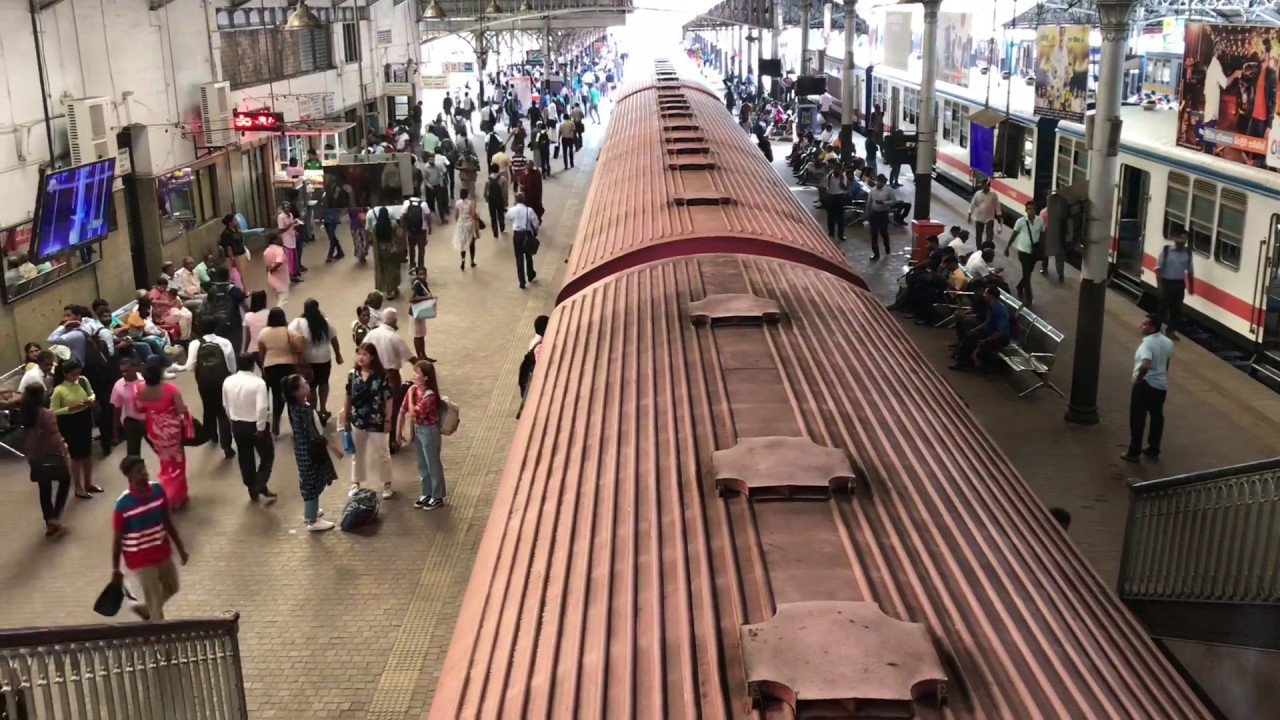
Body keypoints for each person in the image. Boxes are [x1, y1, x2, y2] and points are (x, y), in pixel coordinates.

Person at [111, 455, 189, 622]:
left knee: (172, 586)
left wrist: (180, 548)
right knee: (155, 604)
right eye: (139, 471)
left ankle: (147, 609)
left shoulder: (157, 491)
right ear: (130, 476)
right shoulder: (123, 505)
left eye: (144, 469)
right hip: (141, 559)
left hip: (162, 552)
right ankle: (161, 641)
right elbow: (117, 540)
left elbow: (167, 521)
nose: (144, 473)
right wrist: (115, 569)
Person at [284, 374, 341, 531]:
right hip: (309, 451)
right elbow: (311, 433)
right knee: (311, 483)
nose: (307, 385)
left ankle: (312, 511)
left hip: (305, 450)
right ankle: (312, 519)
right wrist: (329, 444)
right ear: (296, 392)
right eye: (303, 385)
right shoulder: (302, 410)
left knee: (312, 481)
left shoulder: (299, 405)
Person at [133, 360, 191, 509]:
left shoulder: (138, 389)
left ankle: (169, 492)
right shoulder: (171, 389)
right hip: (171, 429)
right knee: (177, 463)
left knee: (164, 461)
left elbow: (139, 409)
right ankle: (175, 496)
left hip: (154, 429)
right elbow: (180, 409)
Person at [177, 316, 236, 458]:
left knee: (208, 408)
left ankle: (212, 436)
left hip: (204, 382)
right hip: (222, 380)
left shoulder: (195, 344)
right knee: (222, 412)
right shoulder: (224, 342)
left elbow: (190, 367)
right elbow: (232, 366)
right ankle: (227, 446)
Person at [342, 343, 395, 500]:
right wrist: (345, 418)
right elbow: (348, 397)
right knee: (357, 453)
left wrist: (388, 419)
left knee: (382, 453)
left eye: (365, 354)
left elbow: (388, 398)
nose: (361, 357)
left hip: (377, 420)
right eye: (359, 354)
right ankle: (356, 482)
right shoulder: (352, 375)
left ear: (372, 357)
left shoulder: (381, 375)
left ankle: (387, 483)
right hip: (357, 420)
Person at [223, 353, 276, 504]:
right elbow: (262, 407)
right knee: (267, 455)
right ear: (252, 365)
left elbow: (225, 404)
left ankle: (252, 486)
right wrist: (260, 426)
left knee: (245, 457)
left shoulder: (228, 381)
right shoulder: (258, 383)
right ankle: (259, 484)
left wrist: (232, 419)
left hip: (238, 424)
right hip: (255, 424)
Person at [21, 384, 71, 537]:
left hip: (35, 455)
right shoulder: (47, 414)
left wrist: (30, 456)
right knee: (65, 480)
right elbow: (55, 436)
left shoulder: (26, 414)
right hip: (51, 453)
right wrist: (64, 453)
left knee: (44, 488)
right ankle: (55, 517)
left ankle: (49, 519)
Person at [1123, 314, 1174, 462]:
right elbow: (1167, 361)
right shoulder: (1168, 342)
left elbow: (1145, 364)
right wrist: (1162, 374)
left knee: (1137, 418)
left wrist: (1139, 379)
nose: (1141, 326)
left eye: (1145, 324)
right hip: (1161, 385)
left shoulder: (1147, 344)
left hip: (1145, 385)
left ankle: (1134, 452)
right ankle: (1153, 448)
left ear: (1152, 327)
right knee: (1157, 416)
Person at [398, 360, 447, 510]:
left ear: (426, 377)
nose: (414, 375)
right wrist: (398, 432)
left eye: (417, 373)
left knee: (433, 463)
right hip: (418, 430)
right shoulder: (413, 390)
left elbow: (414, 412)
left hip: (429, 431)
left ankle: (437, 495)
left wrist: (411, 396)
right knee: (422, 463)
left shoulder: (429, 396)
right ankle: (426, 492)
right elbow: (402, 410)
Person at [49, 359, 101, 499]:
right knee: (76, 455)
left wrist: (91, 399)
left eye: (78, 374)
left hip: (84, 418)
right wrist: (70, 408)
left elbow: (91, 392)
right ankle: (78, 487)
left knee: (87, 453)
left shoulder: (83, 380)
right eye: (73, 375)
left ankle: (89, 482)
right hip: (70, 422)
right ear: (65, 374)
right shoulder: (59, 390)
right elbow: (53, 411)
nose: (76, 377)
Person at [289, 299, 342, 425]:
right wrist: (338, 355)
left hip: (308, 360)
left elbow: (289, 335)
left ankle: (313, 410)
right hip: (324, 359)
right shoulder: (325, 322)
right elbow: (334, 339)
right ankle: (323, 408)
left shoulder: (298, 323)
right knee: (323, 382)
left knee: (311, 386)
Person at [257, 307, 303, 436]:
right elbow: (300, 341)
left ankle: (275, 425)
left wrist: (263, 367)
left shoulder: (264, 333)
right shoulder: (288, 332)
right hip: (288, 366)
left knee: (277, 396)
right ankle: (295, 425)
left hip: (270, 367)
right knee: (290, 396)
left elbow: (261, 352)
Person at [950, 287, 1010, 372]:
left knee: (970, 339)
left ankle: (963, 363)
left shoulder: (1000, 311)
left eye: (985, 293)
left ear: (991, 296)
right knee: (969, 334)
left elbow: (1000, 332)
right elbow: (987, 323)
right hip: (990, 333)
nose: (983, 295)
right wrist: (975, 330)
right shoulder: (991, 306)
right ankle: (963, 359)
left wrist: (985, 340)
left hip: (999, 338)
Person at [1155, 229, 1196, 340]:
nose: (1182, 241)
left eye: (1185, 239)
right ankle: (1155, 329)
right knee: (1162, 308)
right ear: (1174, 238)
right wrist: (1159, 285)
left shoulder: (1187, 253)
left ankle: (1170, 331)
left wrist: (1191, 286)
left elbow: (1190, 270)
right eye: (1180, 238)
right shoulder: (1166, 250)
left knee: (1176, 310)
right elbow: (1158, 268)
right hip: (1166, 282)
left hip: (1179, 284)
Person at [1004, 201, 1044, 305]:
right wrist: (1007, 247)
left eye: (1032, 208)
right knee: (1026, 274)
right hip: (1023, 251)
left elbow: (1043, 233)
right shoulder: (1020, 222)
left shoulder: (1040, 221)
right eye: (1029, 208)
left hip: (1034, 252)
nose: (1031, 211)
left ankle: (1020, 286)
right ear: (1026, 210)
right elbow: (1014, 235)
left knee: (1028, 273)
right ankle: (1029, 299)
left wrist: (1043, 247)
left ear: (1035, 209)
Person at [111, 354, 149, 457]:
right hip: (131, 422)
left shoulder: (146, 379)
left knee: (159, 448)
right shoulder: (118, 385)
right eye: (122, 371)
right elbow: (117, 408)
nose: (124, 374)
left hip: (149, 420)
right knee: (133, 453)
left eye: (126, 371)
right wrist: (115, 431)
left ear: (134, 368)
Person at [206, 267, 247, 354]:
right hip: (234, 324)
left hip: (218, 324)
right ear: (228, 276)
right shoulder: (235, 291)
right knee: (235, 349)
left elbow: (210, 308)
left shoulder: (212, 291)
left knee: (222, 350)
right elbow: (245, 307)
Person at [368, 205, 403, 299]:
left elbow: (372, 240)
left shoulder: (375, 228)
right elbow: (400, 236)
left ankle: (388, 291)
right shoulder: (393, 225)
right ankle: (393, 289)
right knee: (393, 270)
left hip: (381, 252)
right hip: (393, 251)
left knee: (385, 272)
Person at [507, 192, 539, 289]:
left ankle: (522, 281)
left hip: (517, 235)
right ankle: (530, 275)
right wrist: (535, 233)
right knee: (528, 255)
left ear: (516, 200)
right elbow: (536, 223)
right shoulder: (529, 210)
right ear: (524, 199)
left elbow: (508, 218)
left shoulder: (511, 210)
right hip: (527, 234)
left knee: (519, 257)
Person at [408, 267, 438, 362]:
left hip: (421, 312)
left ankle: (423, 355)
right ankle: (419, 357)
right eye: (420, 274)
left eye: (424, 273)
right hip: (415, 313)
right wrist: (425, 298)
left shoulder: (423, 284)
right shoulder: (417, 285)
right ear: (417, 275)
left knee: (422, 335)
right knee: (417, 336)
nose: (423, 276)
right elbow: (411, 299)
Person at [866, 175, 896, 260]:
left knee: (883, 232)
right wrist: (867, 214)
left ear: (884, 182)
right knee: (874, 235)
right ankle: (876, 254)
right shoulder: (872, 191)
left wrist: (884, 202)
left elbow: (894, 201)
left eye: (881, 182)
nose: (878, 183)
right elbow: (869, 202)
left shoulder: (889, 190)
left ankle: (887, 247)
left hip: (883, 214)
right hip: (874, 214)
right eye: (877, 181)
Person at [820, 159, 848, 243]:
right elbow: (825, 186)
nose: (835, 170)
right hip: (831, 197)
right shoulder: (829, 176)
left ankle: (841, 235)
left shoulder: (843, 176)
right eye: (834, 168)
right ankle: (831, 233)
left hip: (839, 197)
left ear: (840, 169)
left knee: (840, 218)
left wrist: (840, 180)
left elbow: (844, 187)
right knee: (830, 217)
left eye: (837, 169)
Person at [401, 195, 431, 270]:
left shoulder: (406, 203)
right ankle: (420, 267)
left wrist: (404, 229)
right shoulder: (424, 204)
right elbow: (428, 217)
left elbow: (402, 216)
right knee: (421, 249)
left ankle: (412, 266)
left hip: (410, 230)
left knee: (411, 249)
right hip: (422, 230)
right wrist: (430, 228)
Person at [453, 188, 480, 270]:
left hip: (461, 225)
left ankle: (463, 261)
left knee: (462, 244)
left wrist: (458, 222)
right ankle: (472, 261)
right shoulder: (471, 203)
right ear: (467, 194)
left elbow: (456, 215)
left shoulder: (458, 203)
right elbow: (472, 215)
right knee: (472, 243)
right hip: (469, 225)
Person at [262, 234, 291, 308]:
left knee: (279, 298)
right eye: (279, 239)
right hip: (281, 279)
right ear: (274, 240)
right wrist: (273, 269)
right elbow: (279, 262)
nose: (281, 240)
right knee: (283, 300)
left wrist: (269, 273)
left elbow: (266, 265)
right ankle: (278, 316)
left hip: (271, 279)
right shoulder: (279, 250)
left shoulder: (266, 251)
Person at [220, 214, 249, 288]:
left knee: (243, 274)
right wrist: (232, 257)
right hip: (235, 256)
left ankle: (245, 290)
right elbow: (228, 246)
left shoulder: (235, 229)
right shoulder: (226, 233)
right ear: (230, 222)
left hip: (241, 254)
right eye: (234, 220)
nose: (236, 221)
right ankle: (240, 290)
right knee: (237, 275)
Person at [969, 179, 1000, 246]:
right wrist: (970, 214)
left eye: (985, 185)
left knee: (989, 234)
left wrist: (999, 214)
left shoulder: (993, 195)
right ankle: (979, 248)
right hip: (979, 217)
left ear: (988, 186)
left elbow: (997, 205)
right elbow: (973, 204)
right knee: (978, 235)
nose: (983, 186)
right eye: (983, 185)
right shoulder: (978, 193)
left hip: (990, 217)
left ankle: (987, 246)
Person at [243, 290, 270, 363]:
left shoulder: (247, 316)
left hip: (254, 349)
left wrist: (245, 349)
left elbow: (247, 336)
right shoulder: (269, 313)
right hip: (268, 347)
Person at [278, 202, 301, 282]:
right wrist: (291, 223)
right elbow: (281, 229)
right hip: (286, 239)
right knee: (289, 258)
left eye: (288, 207)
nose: (287, 209)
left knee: (294, 257)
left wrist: (295, 231)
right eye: (285, 207)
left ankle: (294, 273)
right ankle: (289, 275)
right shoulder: (281, 217)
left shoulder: (290, 215)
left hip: (292, 238)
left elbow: (292, 226)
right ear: (283, 208)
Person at [485, 164, 508, 238]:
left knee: (493, 216)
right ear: (498, 169)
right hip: (500, 199)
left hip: (491, 200)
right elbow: (505, 192)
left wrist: (487, 200)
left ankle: (495, 232)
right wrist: (505, 201)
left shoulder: (488, 180)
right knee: (500, 214)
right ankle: (502, 227)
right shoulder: (503, 179)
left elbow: (485, 193)